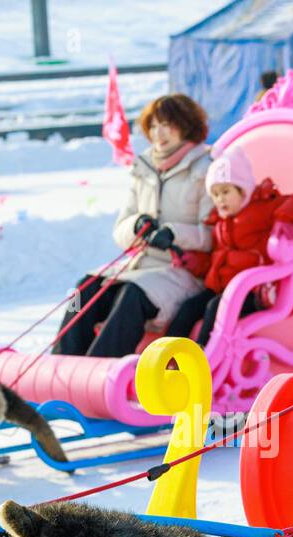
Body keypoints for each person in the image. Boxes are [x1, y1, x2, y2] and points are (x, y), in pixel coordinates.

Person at [55, 94, 213, 358]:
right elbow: (120, 229)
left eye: (167, 125)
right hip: (140, 267)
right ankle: (62, 363)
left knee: (132, 294)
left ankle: (99, 372)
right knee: (85, 288)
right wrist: (138, 225)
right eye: (152, 126)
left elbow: (212, 235)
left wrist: (174, 234)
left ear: (186, 125)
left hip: (183, 273)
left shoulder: (205, 169)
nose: (158, 133)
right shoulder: (145, 168)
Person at [166, 146, 293, 345]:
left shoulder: (263, 207)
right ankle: (169, 357)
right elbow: (218, 261)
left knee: (216, 307)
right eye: (216, 194)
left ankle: (203, 360)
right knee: (189, 308)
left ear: (243, 189)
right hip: (225, 289)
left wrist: (283, 219)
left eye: (226, 191)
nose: (221, 199)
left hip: (253, 292)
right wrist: (195, 262)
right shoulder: (220, 224)